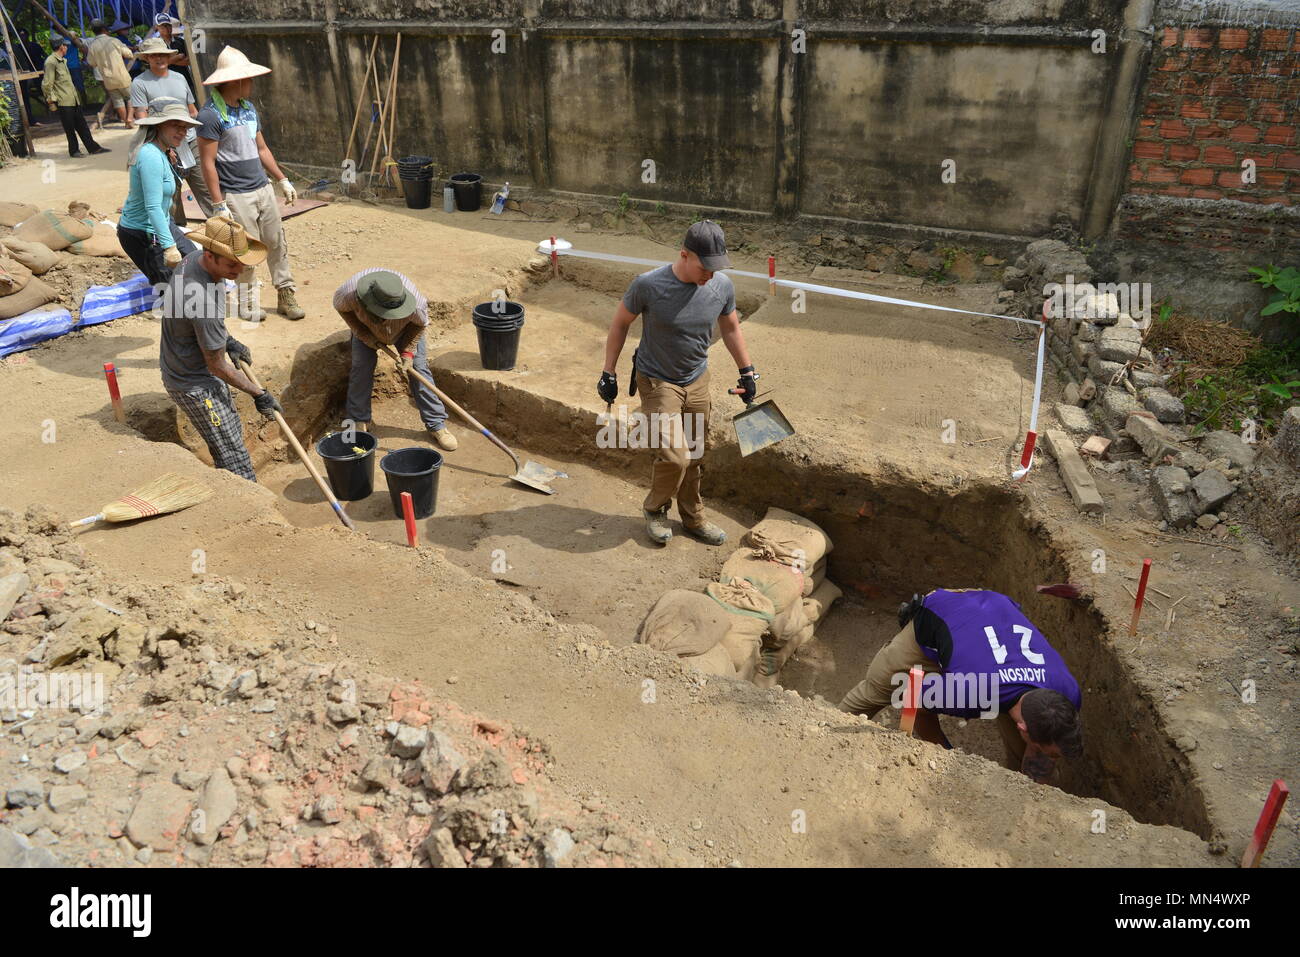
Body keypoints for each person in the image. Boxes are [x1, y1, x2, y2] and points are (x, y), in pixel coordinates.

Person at [598, 221, 754, 546]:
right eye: (704, 266)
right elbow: (620, 323)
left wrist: (747, 371)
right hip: (657, 380)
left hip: (696, 379)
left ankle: (693, 518)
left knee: (694, 453)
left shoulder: (722, 286)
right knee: (675, 457)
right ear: (684, 254)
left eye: (715, 267)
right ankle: (655, 509)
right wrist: (608, 372)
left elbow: (730, 329)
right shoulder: (648, 285)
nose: (710, 274)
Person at [839, 589, 1084, 783]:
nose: (1055, 757)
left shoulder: (1068, 694)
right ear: (1022, 726)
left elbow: (1046, 748)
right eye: (1053, 753)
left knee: (1029, 749)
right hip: (944, 611)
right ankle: (826, 731)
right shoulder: (969, 691)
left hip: (993, 612)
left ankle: (1015, 784)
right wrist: (947, 758)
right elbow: (913, 699)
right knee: (878, 688)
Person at [159, 216, 282, 481]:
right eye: (232, 264)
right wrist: (259, 393)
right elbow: (217, 366)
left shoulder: (193, 260)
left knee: (230, 434)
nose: (239, 269)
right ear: (210, 255)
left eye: (241, 262)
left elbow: (199, 327)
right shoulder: (201, 299)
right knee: (232, 453)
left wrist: (228, 341)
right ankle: (247, 499)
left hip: (188, 362)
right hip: (192, 383)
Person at [196, 46, 304, 322]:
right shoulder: (210, 115)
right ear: (236, 81)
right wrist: (218, 203)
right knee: (244, 250)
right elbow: (207, 162)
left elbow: (262, 148)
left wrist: (282, 179)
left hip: (262, 188)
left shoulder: (248, 109)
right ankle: (248, 301)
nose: (252, 83)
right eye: (248, 78)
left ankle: (286, 293)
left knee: (276, 242)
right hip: (236, 195)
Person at [332, 269, 458, 451]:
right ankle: (358, 420)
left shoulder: (417, 306)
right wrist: (362, 333)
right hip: (365, 328)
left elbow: (420, 325)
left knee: (419, 368)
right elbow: (342, 310)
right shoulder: (348, 294)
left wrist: (408, 353)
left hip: (406, 330)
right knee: (361, 368)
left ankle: (436, 423)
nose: (384, 319)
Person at [129, 37, 212, 224]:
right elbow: (143, 118)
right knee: (170, 193)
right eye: (154, 55)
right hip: (163, 145)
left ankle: (222, 228)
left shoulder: (180, 78)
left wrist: (202, 137)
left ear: (168, 56)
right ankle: (177, 232)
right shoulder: (140, 83)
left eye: (162, 54)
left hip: (189, 141)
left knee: (205, 187)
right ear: (147, 58)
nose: (159, 58)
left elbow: (192, 111)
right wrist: (163, 147)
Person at [118, 98, 200, 285]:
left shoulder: (163, 151)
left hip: (163, 222)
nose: (182, 132)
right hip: (143, 232)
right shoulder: (150, 155)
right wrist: (169, 246)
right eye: (175, 125)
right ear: (159, 125)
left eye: (185, 127)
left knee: (195, 263)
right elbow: (153, 207)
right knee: (173, 288)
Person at [42, 36, 108, 157]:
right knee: (69, 127)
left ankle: (93, 148)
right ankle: (74, 151)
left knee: (82, 125)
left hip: (73, 99)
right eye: (66, 46)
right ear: (61, 47)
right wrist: (51, 101)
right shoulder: (51, 62)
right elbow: (47, 84)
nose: (67, 48)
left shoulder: (63, 60)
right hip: (63, 101)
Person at [86, 19, 136, 130]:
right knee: (131, 97)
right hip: (121, 75)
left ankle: (126, 122)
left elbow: (91, 63)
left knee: (117, 101)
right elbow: (129, 54)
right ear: (105, 29)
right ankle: (129, 118)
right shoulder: (114, 41)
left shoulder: (92, 46)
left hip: (107, 78)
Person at [149, 13, 193, 93]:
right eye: (162, 26)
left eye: (168, 25)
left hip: (185, 79)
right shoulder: (155, 45)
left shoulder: (180, 42)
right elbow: (155, 65)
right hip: (166, 83)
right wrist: (177, 58)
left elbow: (188, 61)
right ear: (157, 27)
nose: (166, 28)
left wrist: (166, 61)